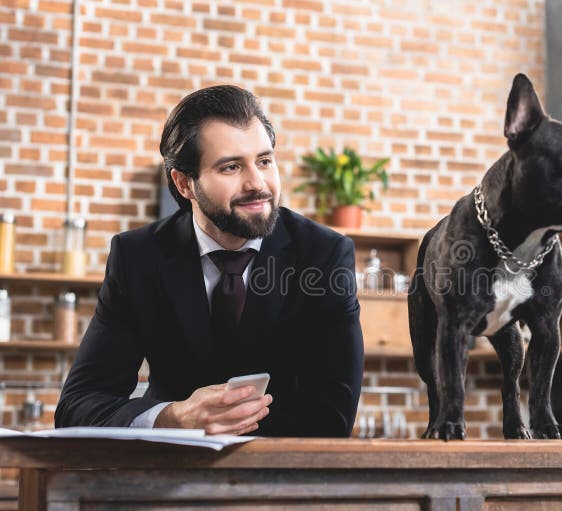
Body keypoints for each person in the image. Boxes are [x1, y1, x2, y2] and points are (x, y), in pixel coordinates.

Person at [55, 86, 364, 437]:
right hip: (167, 478)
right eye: (231, 167)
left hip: (280, 480)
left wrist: (222, 423)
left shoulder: (323, 255)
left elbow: (332, 416)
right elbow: (77, 406)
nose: (257, 184)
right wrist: (174, 418)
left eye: (264, 161)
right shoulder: (138, 257)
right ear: (184, 183)